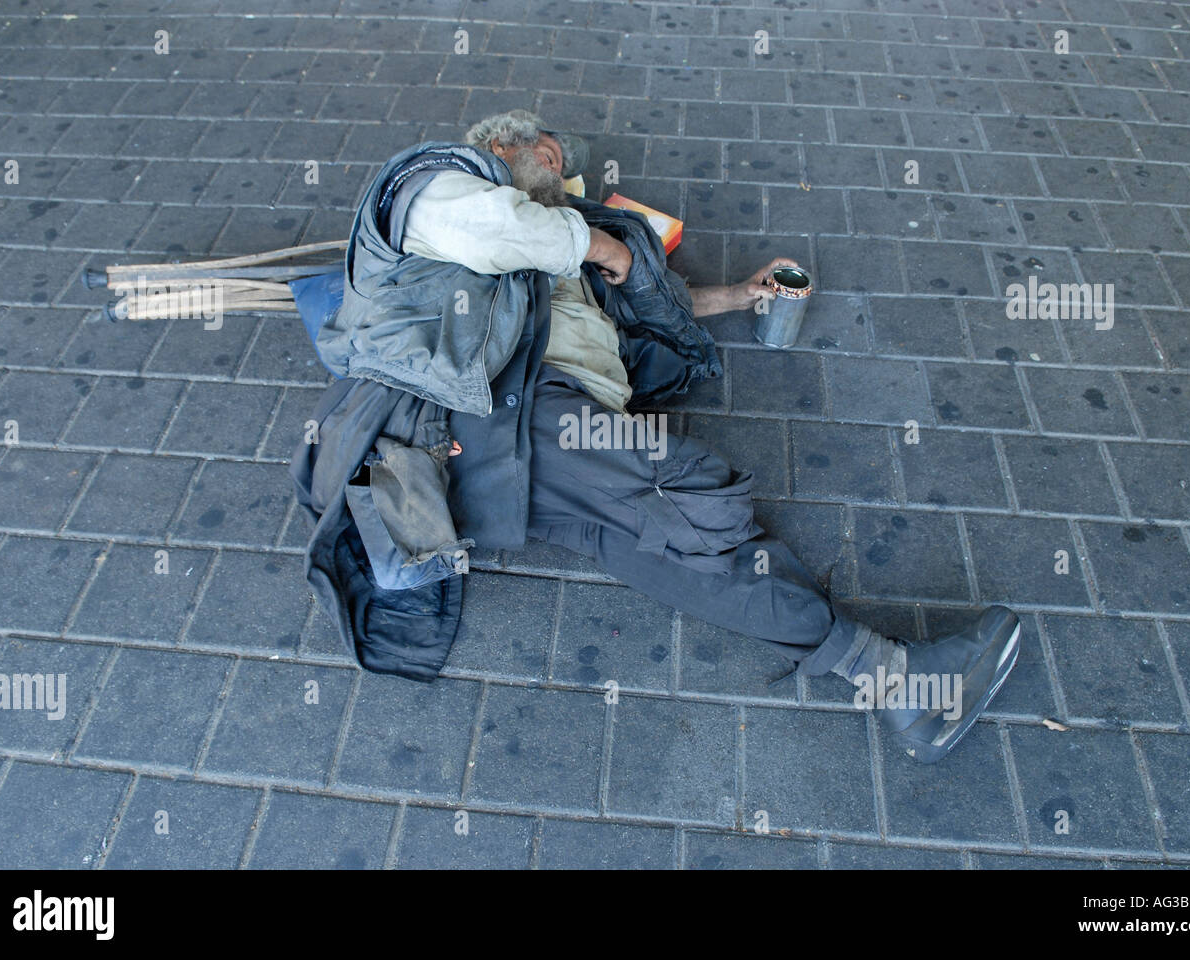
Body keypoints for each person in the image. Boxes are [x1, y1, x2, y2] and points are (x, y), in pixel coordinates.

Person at [302, 110, 1021, 764]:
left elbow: (648, 318)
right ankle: (900, 683)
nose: (559, 168)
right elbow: (497, 229)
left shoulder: (565, 255)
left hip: (514, 446)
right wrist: (604, 247)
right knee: (690, 498)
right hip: (476, 411)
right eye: (547, 154)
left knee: (667, 550)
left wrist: (741, 294)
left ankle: (896, 687)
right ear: (498, 146)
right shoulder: (437, 182)